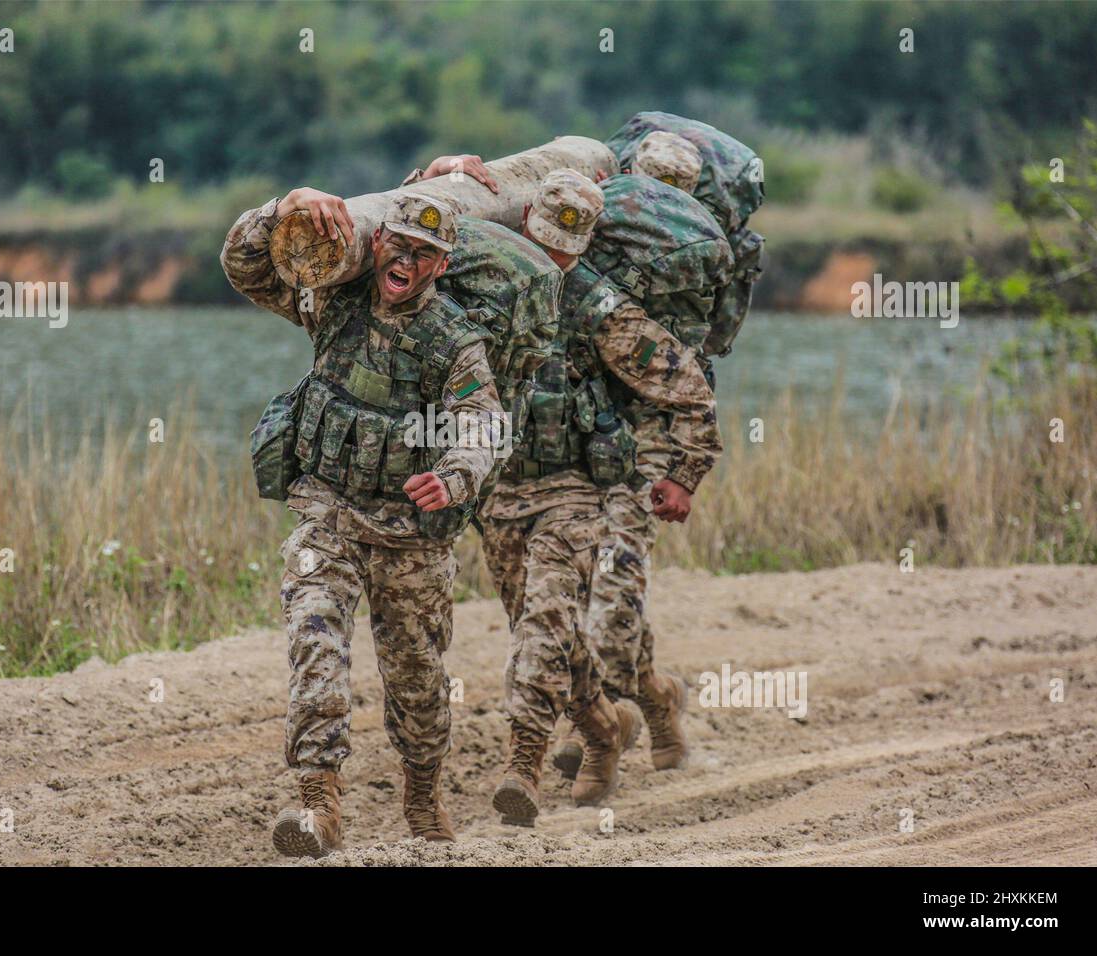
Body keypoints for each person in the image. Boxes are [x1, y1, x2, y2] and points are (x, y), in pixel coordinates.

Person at [221, 189, 504, 857]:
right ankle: (319, 803)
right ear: (376, 243)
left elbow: (484, 422)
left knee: (419, 682)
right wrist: (284, 206)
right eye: (399, 244)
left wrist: (456, 474)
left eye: (425, 253)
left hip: (412, 538)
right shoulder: (333, 300)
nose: (407, 260)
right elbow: (244, 265)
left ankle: (424, 795)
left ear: (441, 264)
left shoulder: (453, 341)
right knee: (315, 648)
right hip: (330, 518)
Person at [472, 169, 722, 825]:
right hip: (502, 493)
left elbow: (686, 387)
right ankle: (619, 720)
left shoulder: (600, 310)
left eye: (565, 248)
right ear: (525, 223)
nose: (550, 257)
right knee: (545, 629)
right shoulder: (485, 281)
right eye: (542, 239)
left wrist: (682, 473)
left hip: (577, 490)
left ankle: (521, 764)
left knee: (549, 625)